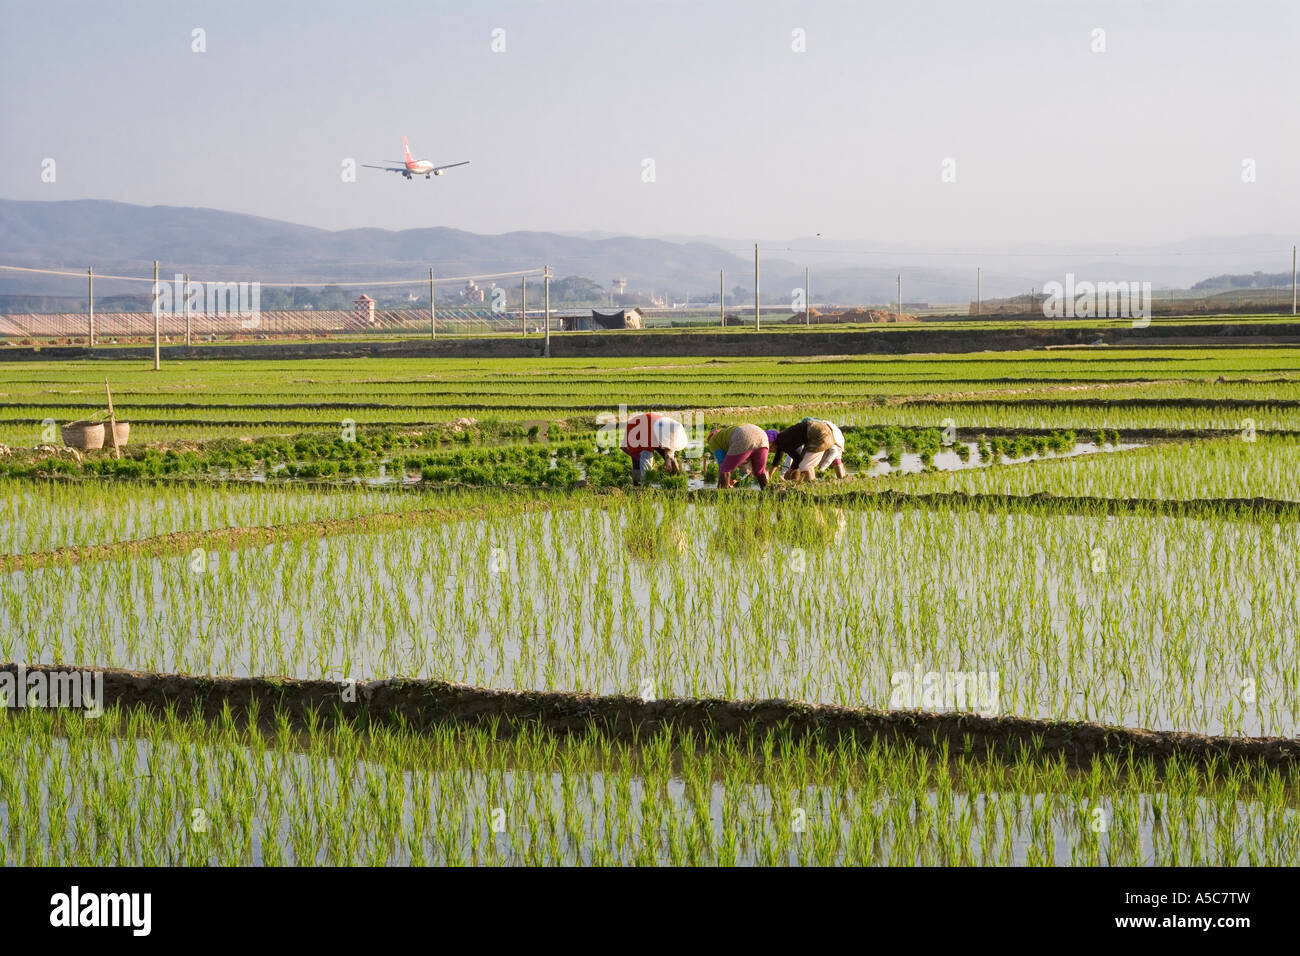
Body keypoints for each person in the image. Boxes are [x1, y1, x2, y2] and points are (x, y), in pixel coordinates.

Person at [620, 411, 688, 486]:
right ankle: (639, 486)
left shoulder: (669, 426)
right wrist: (648, 476)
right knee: (638, 462)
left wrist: (668, 459)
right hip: (637, 432)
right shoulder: (649, 434)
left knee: (672, 458)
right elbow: (646, 457)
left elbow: (669, 447)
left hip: (654, 428)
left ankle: (676, 477)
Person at [768, 419, 834, 483]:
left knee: (805, 466)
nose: (769, 451)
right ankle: (799, 484)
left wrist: (790, 471)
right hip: (821, 431)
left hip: (819, 434)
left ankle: (810, 487)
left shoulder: (783, 442)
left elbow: (797, 458)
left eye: (768, 449)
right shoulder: (781, 439)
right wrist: (770, 475)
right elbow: (777, 460)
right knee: (803, 465)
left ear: (771, 443)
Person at [706, 424, 771, 488]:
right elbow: (745, 469)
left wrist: (724, 479)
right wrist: (732, 481)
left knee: (725, 470)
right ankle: (768, 493)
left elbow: (722, 462)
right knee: (760, 472)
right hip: (762, 435)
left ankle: (721, 495)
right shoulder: (725, 434)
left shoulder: (713, 441)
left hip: (743, 436)